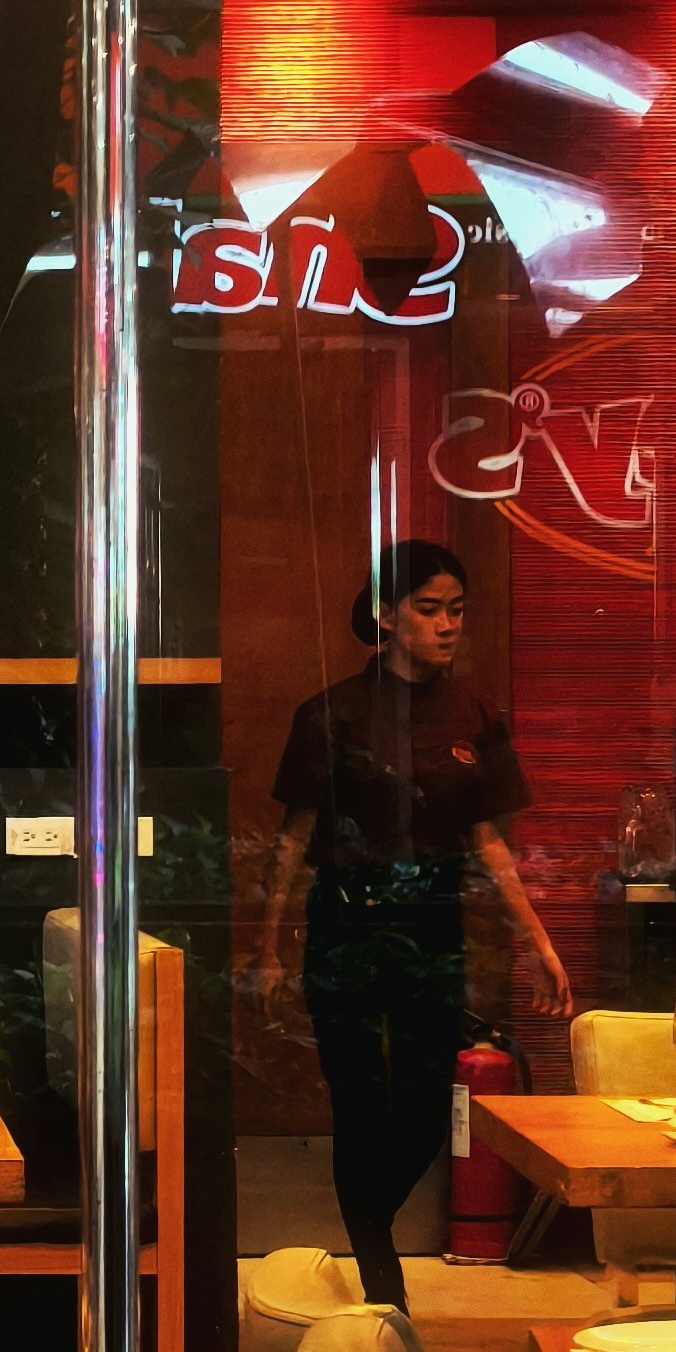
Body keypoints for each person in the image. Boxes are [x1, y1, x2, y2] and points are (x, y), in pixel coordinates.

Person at [245, 539, 571, 1305]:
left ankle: (366, 1222)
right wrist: (266, 951)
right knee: (358, 1099)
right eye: (430, 610)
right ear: (388, 616)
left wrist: (540, 940)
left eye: (457, 610)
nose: (448, 625)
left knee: (428, 1105)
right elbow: (291, 841)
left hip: (433, 920)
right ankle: (381, 1278)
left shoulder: (475, 712)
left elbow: (489, 841)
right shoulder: (332, 713)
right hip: (347, 921)